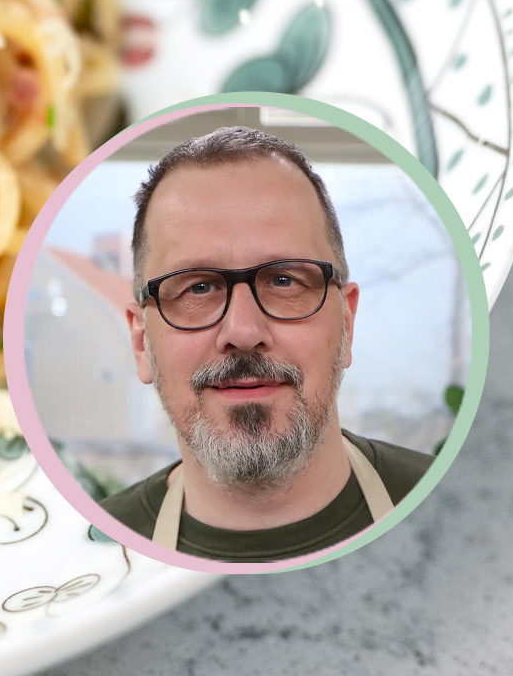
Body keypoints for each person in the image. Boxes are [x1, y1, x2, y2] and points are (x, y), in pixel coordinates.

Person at [98, 126, 433, 562]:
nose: (242, 331)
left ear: (346, 323)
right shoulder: (93, 554)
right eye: (198, 288)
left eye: (283, 280)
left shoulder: (449, 503)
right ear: (141, 343)